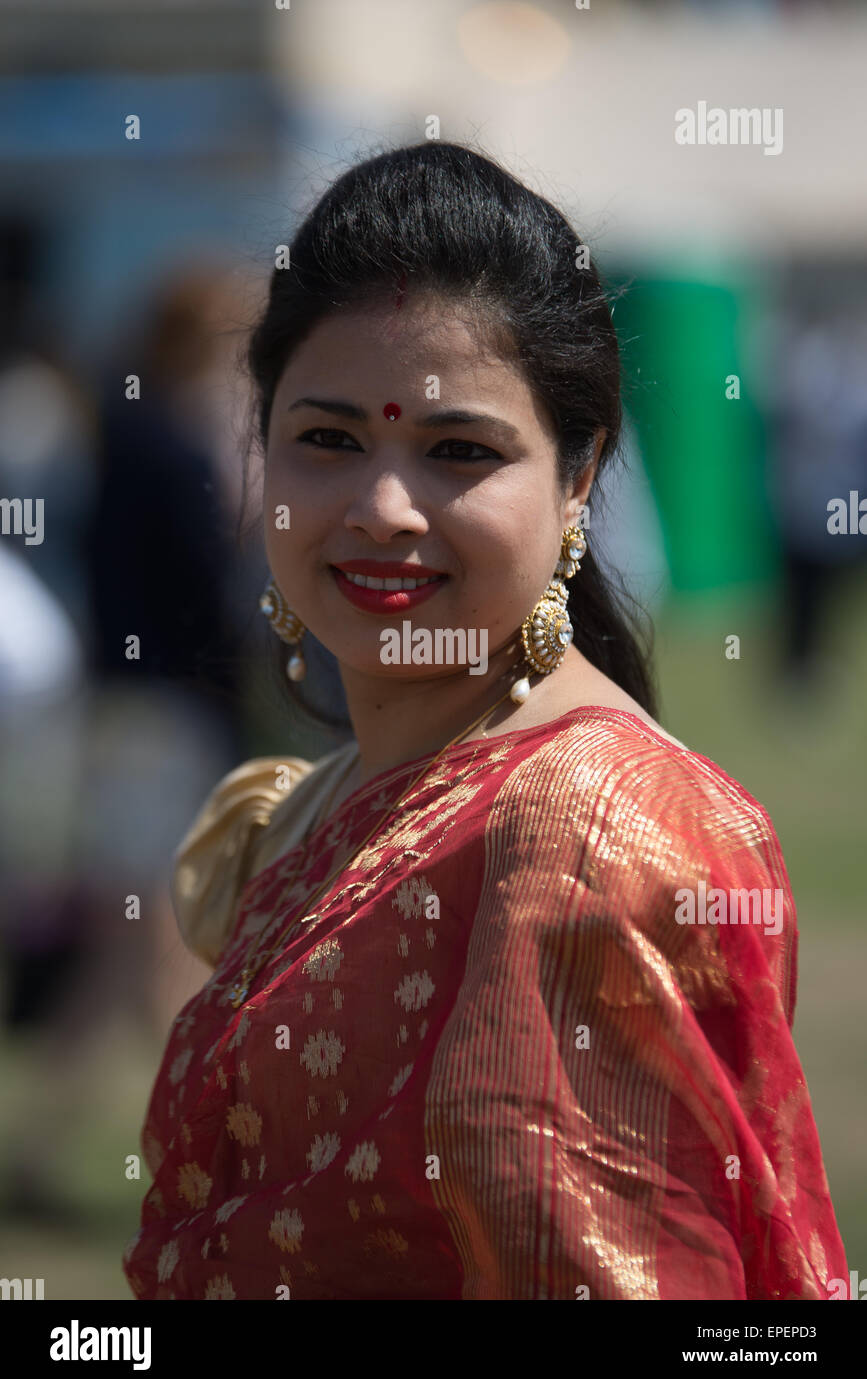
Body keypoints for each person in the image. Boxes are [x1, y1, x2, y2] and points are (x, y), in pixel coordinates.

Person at [123, 141, 847, 1300]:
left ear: (577, 481)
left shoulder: (590, 830)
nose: (382, 506)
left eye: (460, 451)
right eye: (329, 438)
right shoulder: (310, 803)